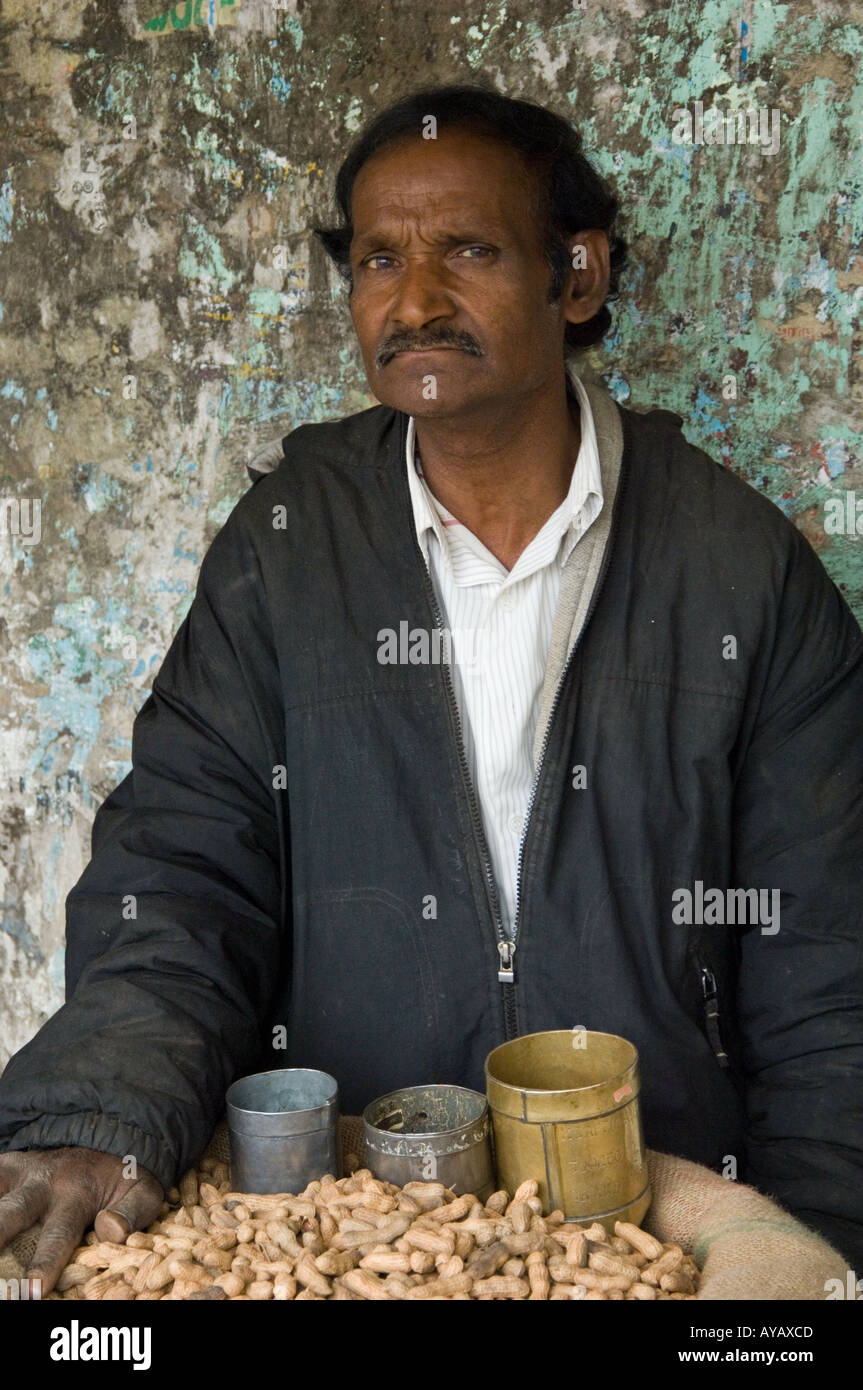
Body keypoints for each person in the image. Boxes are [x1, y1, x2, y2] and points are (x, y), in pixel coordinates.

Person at [1, 84, 861, 1296]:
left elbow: (825, 958)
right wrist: (103, 1110)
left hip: (641, 1224)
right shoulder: (287, 547)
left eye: (467, 249)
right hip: (351, 1233)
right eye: (377, 259)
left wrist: (808, 1256)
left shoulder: (738, 569)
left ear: (576, 277)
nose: (412, 302)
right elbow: (181, 872)